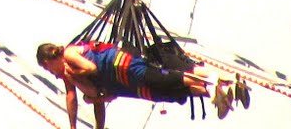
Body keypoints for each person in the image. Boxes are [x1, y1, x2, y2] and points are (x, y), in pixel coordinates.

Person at [35, 41, 250, 123]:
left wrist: (77, 76)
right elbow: (80, 97)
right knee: (169, 91)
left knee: (160, 78)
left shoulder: (69, 54)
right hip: (123, 84)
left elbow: (92, 68)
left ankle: (216, 81)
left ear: (48, 60)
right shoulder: (69, 74)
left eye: (47, 68)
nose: (50, 73)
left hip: (121, 65)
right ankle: (218, 92)